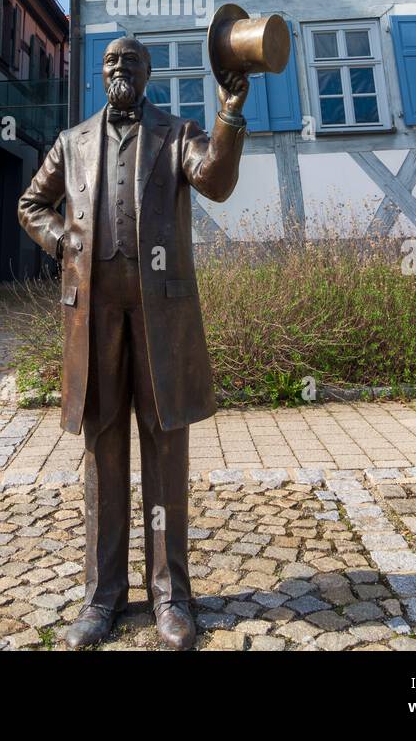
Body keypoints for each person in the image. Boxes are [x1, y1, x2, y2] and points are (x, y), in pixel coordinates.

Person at [18, 35, 248, 649]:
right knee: (103, 449)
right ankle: (103, 594)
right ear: (101, 74)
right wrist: (62, 239)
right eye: (112, 61)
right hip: (92, 316)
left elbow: (216, 180)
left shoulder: (178, 134)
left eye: (133, 61)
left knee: (166, 446)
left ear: (149, 75)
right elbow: (30, 204)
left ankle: (171, 594)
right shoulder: (72, 143)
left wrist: (229, 114)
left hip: (158, 316)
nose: (121, 68)